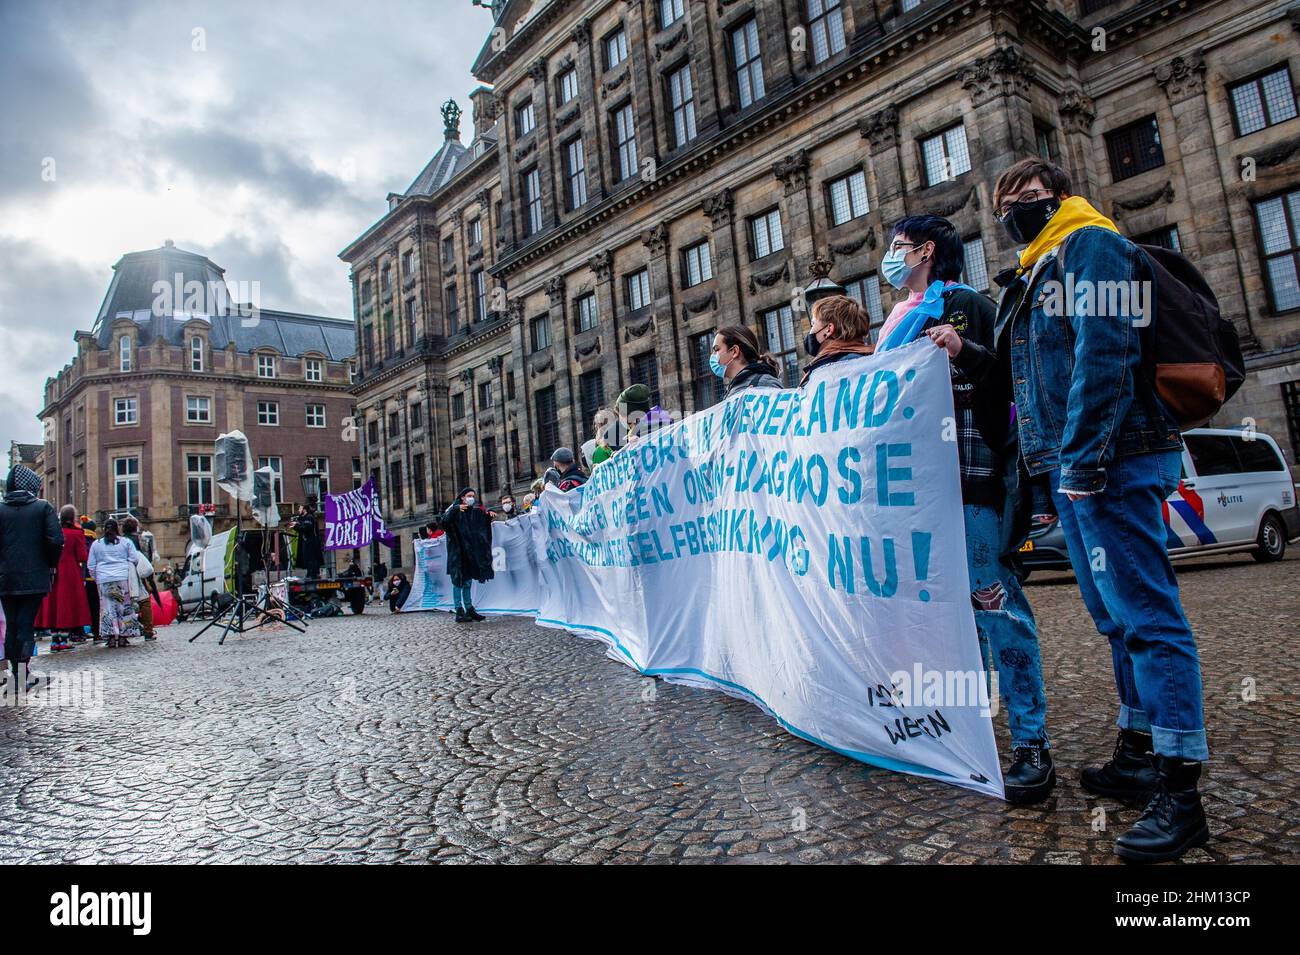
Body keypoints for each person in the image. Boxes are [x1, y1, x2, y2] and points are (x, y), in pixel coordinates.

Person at [976, 156, 1206, 862]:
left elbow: (1105, 355)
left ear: (1060, 196)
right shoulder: (1035, 269)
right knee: (1114, 619)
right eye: (1006, 201)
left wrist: (1081, 462)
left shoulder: (1093, 243)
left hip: (1115, 458)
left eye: (1030, 195)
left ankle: (1181, 789)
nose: (1018, 207)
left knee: (1148, 614)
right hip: (1074, 472)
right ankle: (1138, 751)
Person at [881, 213, 1054, 804]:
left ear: (925, 251)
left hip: (974, 482)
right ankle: (968, 728)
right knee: (950, 620)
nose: (890, 256)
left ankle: (1033, 744)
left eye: (897, 247)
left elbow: (1010, 379)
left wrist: (965, 350)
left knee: (995, 608)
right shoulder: (897, 321)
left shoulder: (969, 304)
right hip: (920, 493)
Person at [0, 465, 63, 691]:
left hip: (5, 577)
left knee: (13, 625)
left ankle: (15, 675)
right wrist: (49, 563)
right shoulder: (42, 508)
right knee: (26, 625)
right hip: (34, 576)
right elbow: (56, 540)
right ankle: (21, 675)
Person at [35, 505, 92, 651]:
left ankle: (55, 641)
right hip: (70, 572)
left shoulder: (50, 532)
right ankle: (65, 639)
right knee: (67, 604)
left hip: (52, 571)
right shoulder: (76, 533)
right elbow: (82, 556)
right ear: (73, 518)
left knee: (54, 603)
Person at [441, 488, 494, 623]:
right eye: (469, 496)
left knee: (468, 582)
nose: (471, 498)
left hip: (469, 552)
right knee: (458, 581)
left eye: (473, 496)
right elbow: (444, 523)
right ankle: (459, 610)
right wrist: (455, 509)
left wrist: (488, 516)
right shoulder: (453, 509)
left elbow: (480, 524)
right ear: (462, 497)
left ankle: (469, 609)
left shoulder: (473, 511)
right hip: (457, 553)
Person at [87, 518, 142, 648]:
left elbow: (91, 565)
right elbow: (134, 558)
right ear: (117, 528)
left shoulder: (97, 544)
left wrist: (97, 578)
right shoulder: (125, 542)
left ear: (104, 529)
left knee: (107, 609)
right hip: (122, 578)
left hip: (104, 579)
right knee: (124, 607)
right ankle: (123, 636)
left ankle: (111, 637)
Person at [797, 294, 874, 386]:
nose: (811, 331)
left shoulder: (835, 367)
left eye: (813, 324)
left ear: (828, 329)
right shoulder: (871, 358)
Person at [709, 325, 783, 396]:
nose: (712, 355)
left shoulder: (765, 383)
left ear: (734, 351)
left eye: (716, 349)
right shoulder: (732, 389)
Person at [121, 516, 157, 642]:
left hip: (122, 573)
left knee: (125, 602)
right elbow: (146, 558)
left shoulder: (120, 540)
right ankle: (148, 631)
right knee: (145, 601)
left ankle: (126, 631)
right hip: (137, 572)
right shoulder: (140, 540)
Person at [80, 517, 100, 641]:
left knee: (81, 606)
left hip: (80, 579)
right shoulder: (96, 543)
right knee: (94, 606)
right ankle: (96, 632)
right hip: (93, 579)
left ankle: (79, 632)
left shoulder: (80, 539)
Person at [292, 506, 323, 579]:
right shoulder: (304, 518)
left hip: (310, 542)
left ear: (304, 510)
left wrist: (295, 526)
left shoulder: (309, 517)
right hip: (306, 541)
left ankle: (313, 574)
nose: (299, 510)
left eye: (300, 509)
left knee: (311, 558)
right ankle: (310, 573)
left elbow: (305, 528)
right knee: (307, 558)